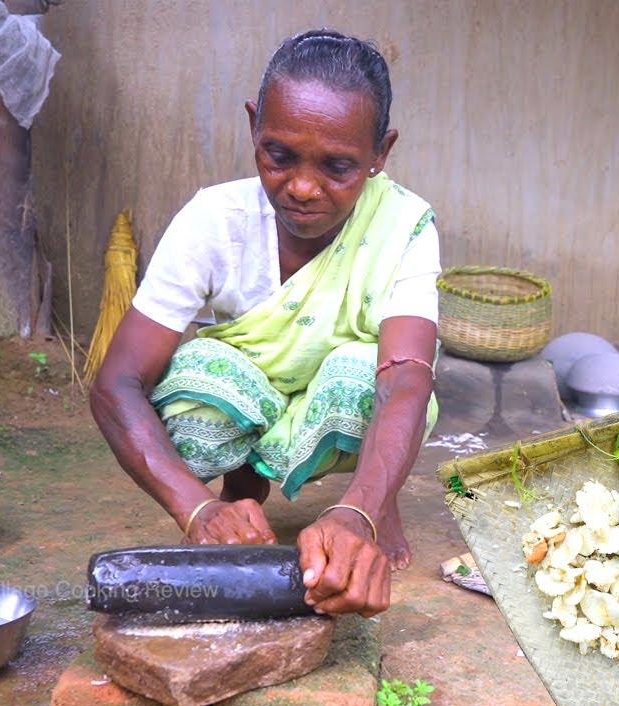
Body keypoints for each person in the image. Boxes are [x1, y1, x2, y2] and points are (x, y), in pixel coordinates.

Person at [89, 28, 440, 619]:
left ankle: (375, 499)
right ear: (254, 126)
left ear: (381, 153)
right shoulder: (213, 220)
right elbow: (115, 384)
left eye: (338, 166)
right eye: (279, 155)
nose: (302, 187)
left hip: (342, 394)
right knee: (196, 380)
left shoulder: (404, 224)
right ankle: (239, 489)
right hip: (254, 392)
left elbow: (404, 378)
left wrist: (358, 513)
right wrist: (195, 508)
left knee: (365, 373)